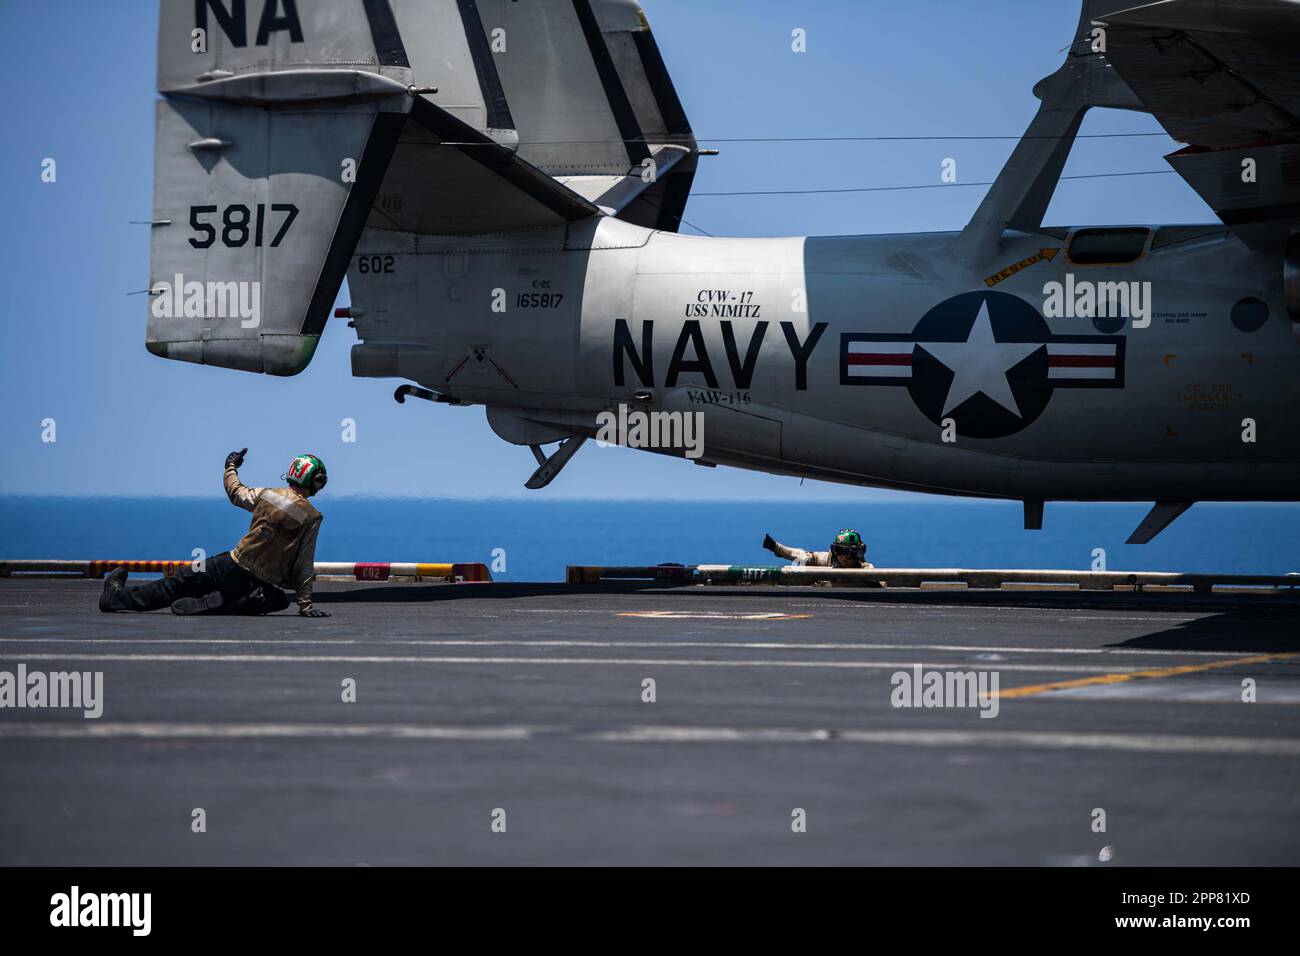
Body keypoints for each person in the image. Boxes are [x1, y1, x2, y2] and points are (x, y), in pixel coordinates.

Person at [99, 449, 330, 617]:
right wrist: (305, 605)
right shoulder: (312, 516)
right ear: (316, 481)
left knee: (174, 585)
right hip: (261, 582)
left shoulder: (267, 495)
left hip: (231, 565)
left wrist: (231, 466)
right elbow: (304, 563)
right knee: (277, 600)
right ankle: (229, 603)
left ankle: (116, 598)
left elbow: (235, 491)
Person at [762, 528, 873, 569]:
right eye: (838, 551)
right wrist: (776, 547)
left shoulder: (867, 570)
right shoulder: (829, 559)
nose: (841, 556)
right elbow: (803, 557)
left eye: (845, 551)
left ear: (856, 552)